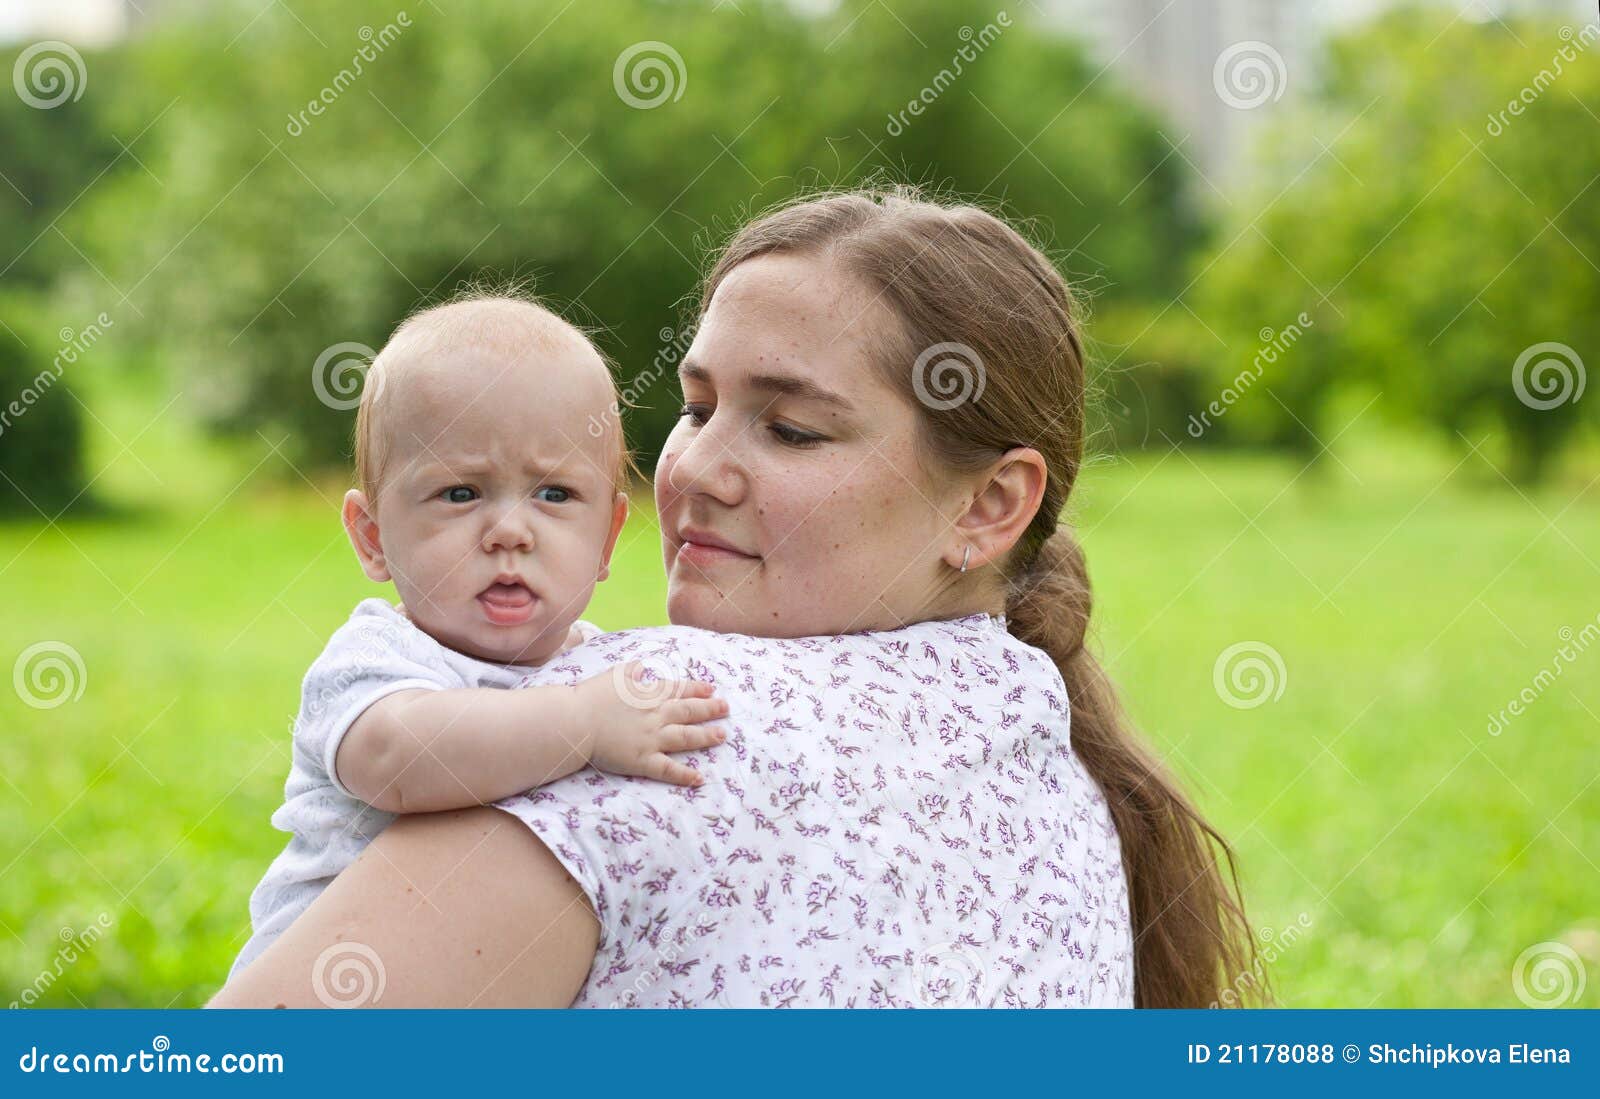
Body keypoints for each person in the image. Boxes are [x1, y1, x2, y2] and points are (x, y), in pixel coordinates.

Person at [210, 188, 1249, 1009]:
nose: (696, 469)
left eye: (792, 429)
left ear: (988, 504)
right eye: (696, 406)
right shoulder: (1074, 796)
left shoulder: (651, 723)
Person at [228, 295, 727, 979]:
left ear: (607, 539)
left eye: (554, 495)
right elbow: (398, 759)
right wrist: (583, 723)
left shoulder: (600, 662)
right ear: (373, 538)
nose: (510, 531)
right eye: (461, 493)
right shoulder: (376, 661)